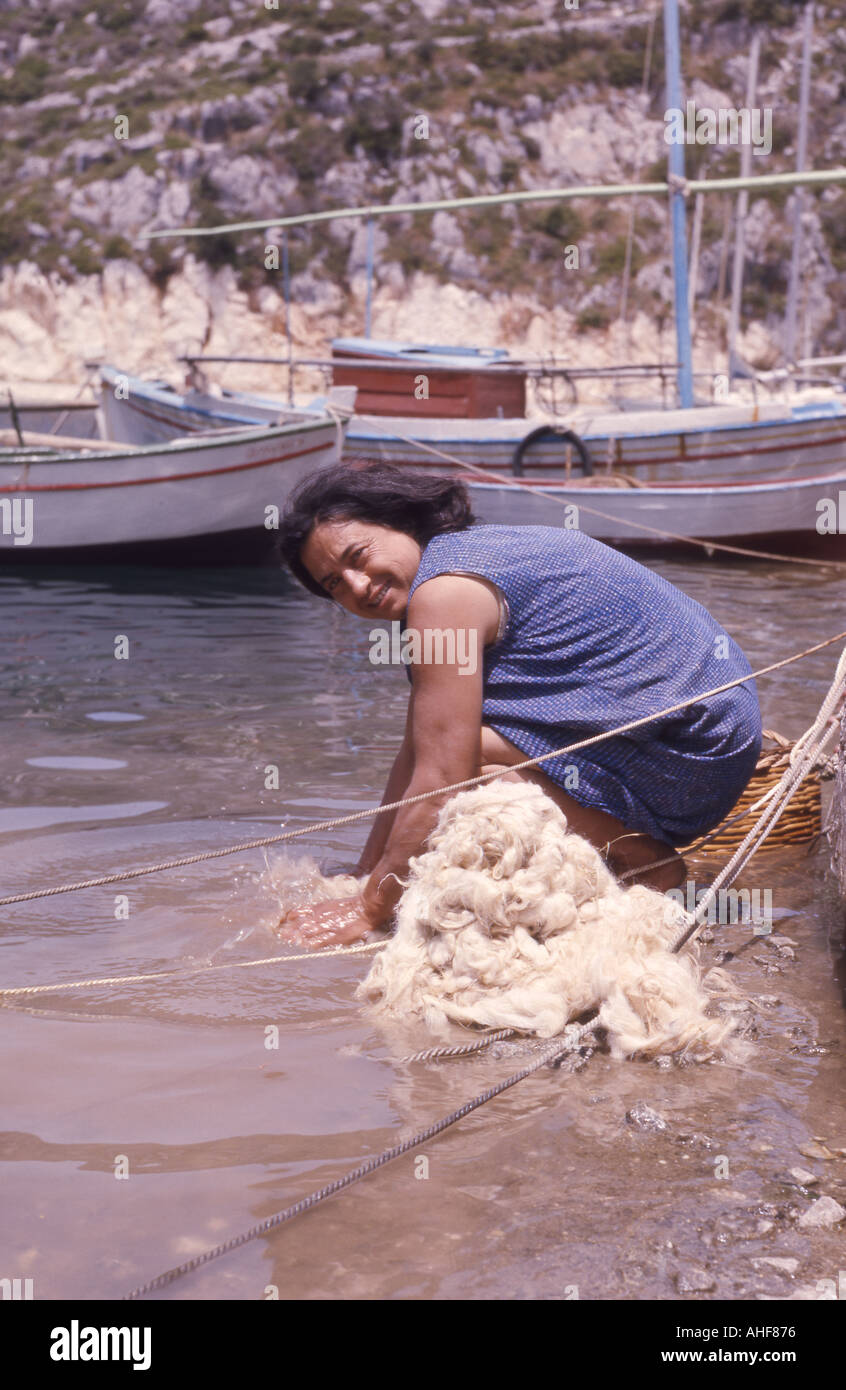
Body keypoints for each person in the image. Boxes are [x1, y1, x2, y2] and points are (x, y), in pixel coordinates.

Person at [277, 462, 762, 948]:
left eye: (357, 556)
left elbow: (444, 775)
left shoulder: (445, 591)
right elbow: (418, 749)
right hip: (709, 733)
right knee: (441, 743)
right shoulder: (464, 557)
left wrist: (368, 909)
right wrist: (367, 872)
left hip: (690, 751)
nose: (357, 586)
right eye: (334, 585)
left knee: (472, 774)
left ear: (399, 521)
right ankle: (617, 837)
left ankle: (642, 859)